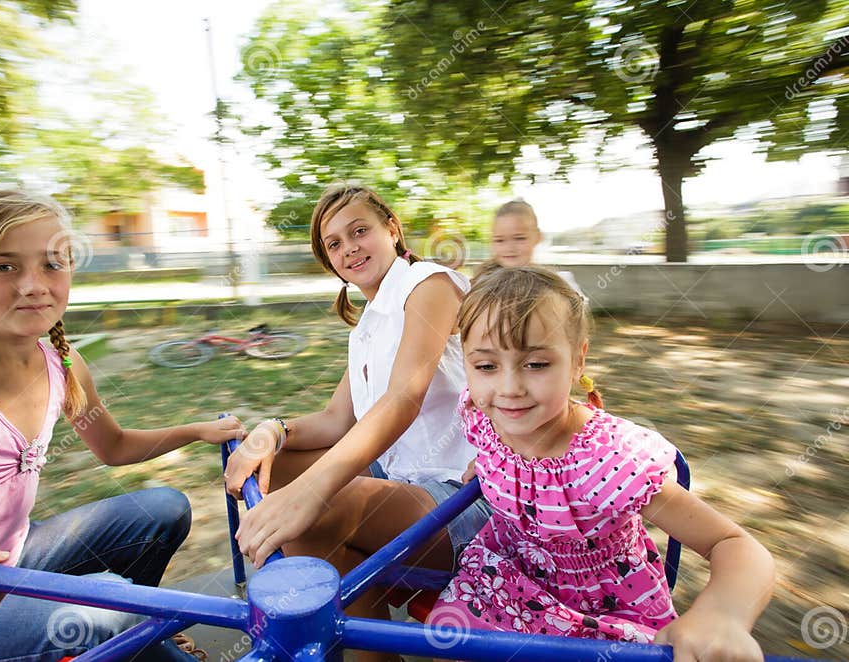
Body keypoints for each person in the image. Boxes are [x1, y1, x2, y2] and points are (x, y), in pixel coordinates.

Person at [0, 189, 246, 662]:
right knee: (104, 603)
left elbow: (115, 446)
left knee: (163, 510)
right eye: (4, 266)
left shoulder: (63, 363)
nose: (33, 285)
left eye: (51, 264)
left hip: (6, 559)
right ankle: (136, 634)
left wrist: (195, 430)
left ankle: (137, 638)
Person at [427, 266, 774, 659]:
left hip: (598, 614)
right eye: (486, 366)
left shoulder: (611, 461)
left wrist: (722, 615)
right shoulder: (481, 415)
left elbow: (733, 544)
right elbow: (489, 447)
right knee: (447, 643)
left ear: (578, 361)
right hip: (509, 579)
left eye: (536, 364)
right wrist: (490, 466)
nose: (508, 388)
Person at [224, 183, 491, 661]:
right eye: (334, 243)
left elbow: (404, 398)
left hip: (465, 495)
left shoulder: (429, 284)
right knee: (278, 468)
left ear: (392, 229)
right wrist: (272, 432)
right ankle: (358, 623)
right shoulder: (368, 322)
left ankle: (334, 633)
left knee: (322, 504)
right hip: (402, 485)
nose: (349, 248)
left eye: (359, 231)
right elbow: (334, 420)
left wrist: (312, 492)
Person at [481, 198, 585, 299]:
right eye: (499, 240)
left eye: (519, 238)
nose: (509, 248)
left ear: (538, 237)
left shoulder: (560, 285)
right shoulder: (481, 285)